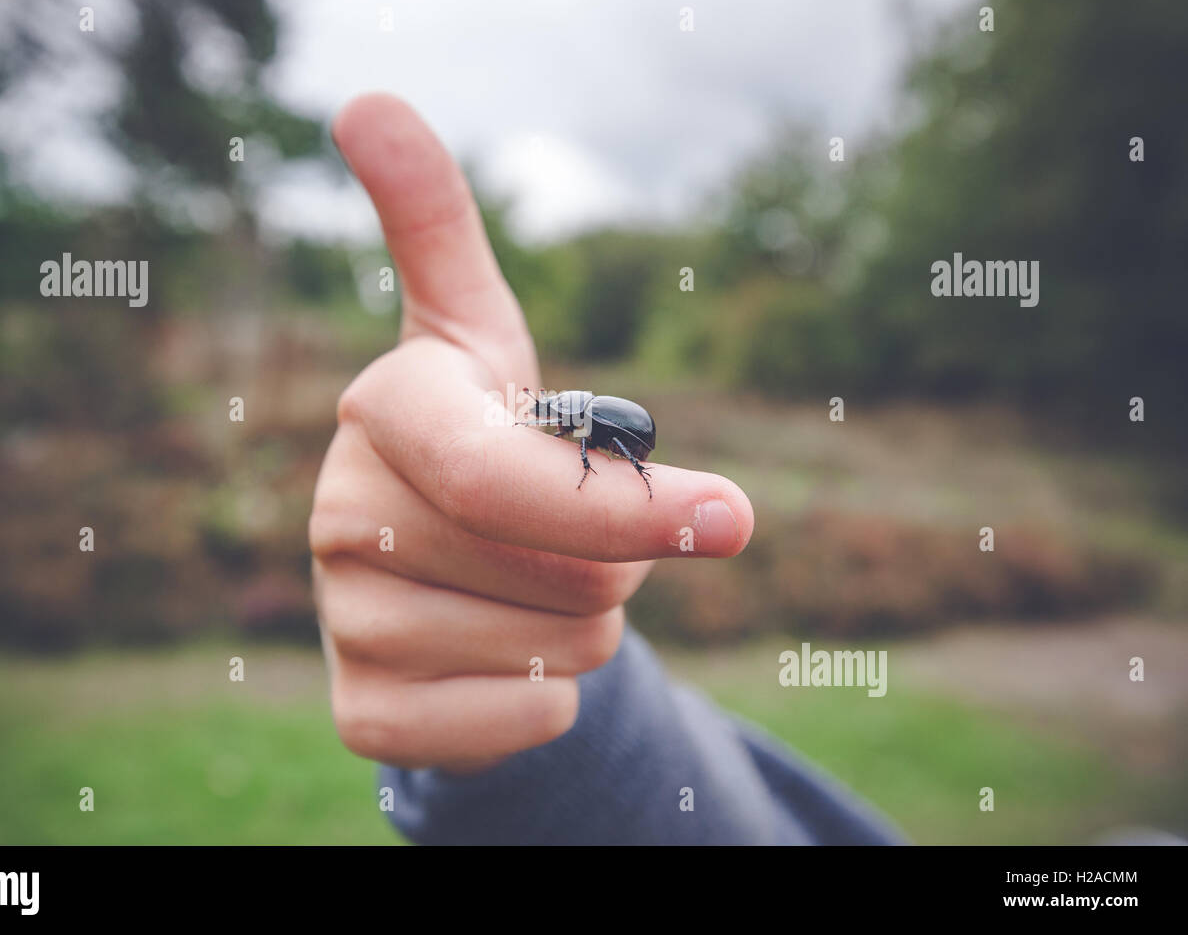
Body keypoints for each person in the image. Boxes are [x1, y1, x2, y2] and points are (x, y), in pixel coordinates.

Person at [308, 93, 902, 844]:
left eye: (555, 421)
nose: (552, 425)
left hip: (628, 438)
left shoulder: (594, 426)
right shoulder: (569, 413)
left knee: (598, 457)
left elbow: (609, 440)